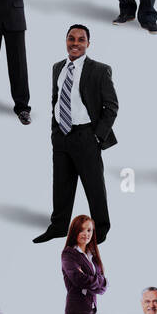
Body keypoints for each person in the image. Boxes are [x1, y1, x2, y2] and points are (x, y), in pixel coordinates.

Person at [33, 25, 119, 245]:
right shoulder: (57, 67)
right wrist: (55, 129)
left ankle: (101, 229)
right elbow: (56, 98)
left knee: (94, 186)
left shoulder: (99, 70)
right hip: (61, 135)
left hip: (86, 135)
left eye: (81, 39)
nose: (75, 43)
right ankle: (59, 226)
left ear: (88, 44)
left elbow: (111, 107)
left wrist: (97, 136)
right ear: (65, 41)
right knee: (61, 184)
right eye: (71, 38)